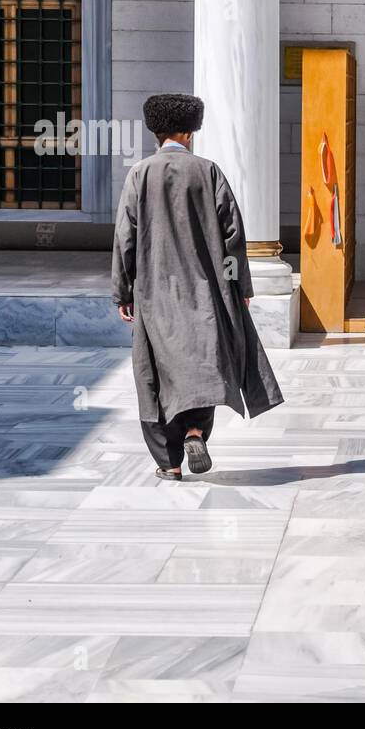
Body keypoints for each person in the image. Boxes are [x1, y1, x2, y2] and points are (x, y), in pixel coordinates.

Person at [112, 94, 284, 480]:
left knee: (155, 374)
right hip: (205, 293)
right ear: (189, 133)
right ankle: (195, 431)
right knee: (204, 366)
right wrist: (239, 284)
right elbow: (233, 235)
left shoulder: (139, 174)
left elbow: (125, 237)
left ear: (156, 131)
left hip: (154, 294)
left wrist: (122, 291)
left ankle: (169, 464)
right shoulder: (208, 172)